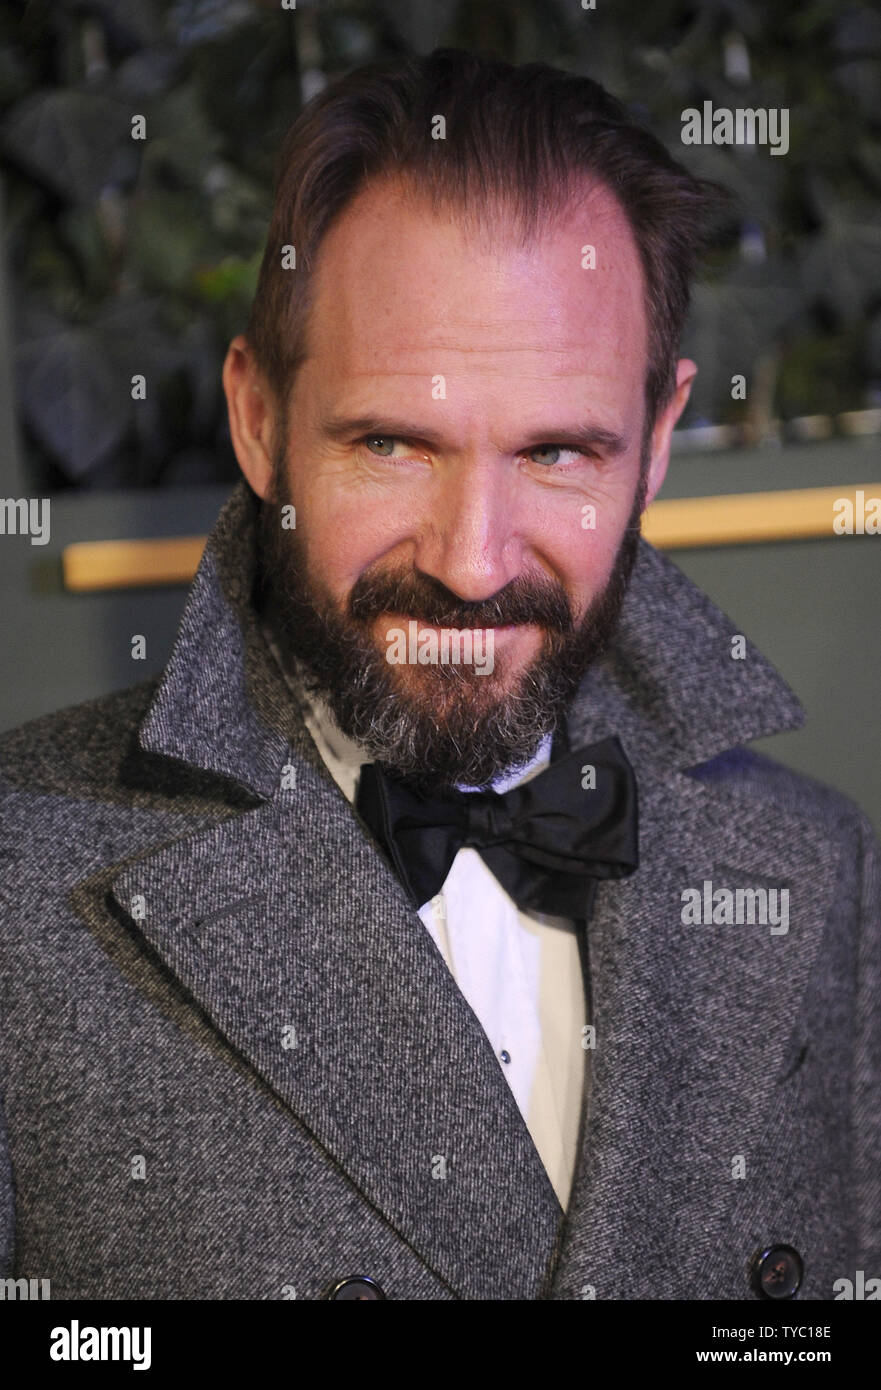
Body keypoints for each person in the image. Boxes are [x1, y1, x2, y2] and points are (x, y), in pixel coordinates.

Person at [0, 48, 878, 1303]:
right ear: (259, 423)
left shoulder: (820, 868)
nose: (469, 566)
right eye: (391, 444)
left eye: (559, 451)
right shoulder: (15, 888)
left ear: (658, 441)